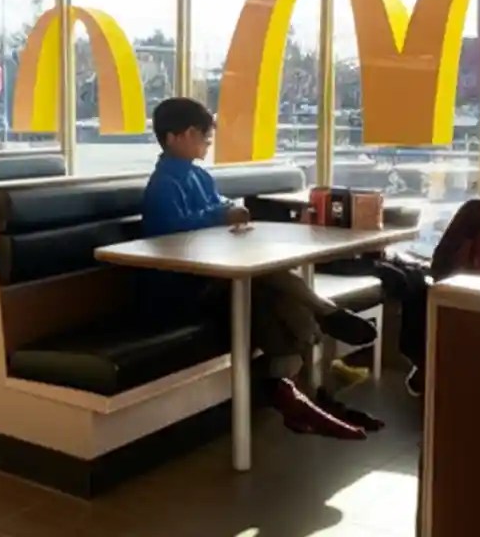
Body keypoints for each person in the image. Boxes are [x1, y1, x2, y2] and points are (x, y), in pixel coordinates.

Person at [140, 97, 381, 440]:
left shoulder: (197, 176)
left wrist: (228, 212)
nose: (207, 143)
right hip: (184, 289)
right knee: (273, 285)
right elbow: (170, 234)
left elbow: (218, 205)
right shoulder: (163, 185)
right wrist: (220, 216)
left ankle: (302, 399)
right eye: (205, 137)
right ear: (179, 136)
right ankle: (319, 340)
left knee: (277, 300)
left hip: (214, 278)